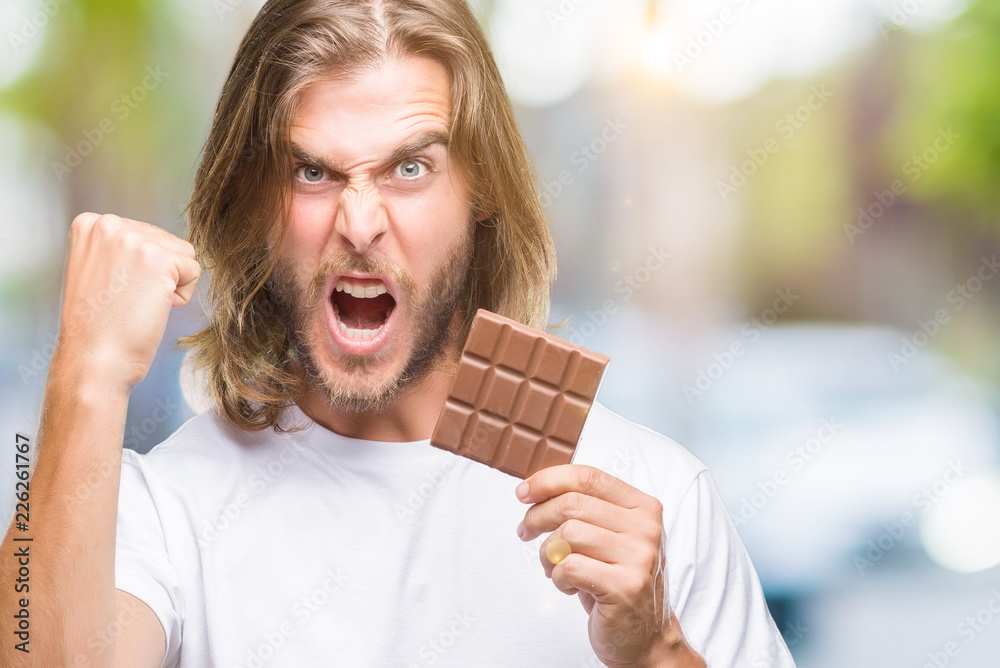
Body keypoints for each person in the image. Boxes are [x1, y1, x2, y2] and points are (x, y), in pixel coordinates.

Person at [0, 1, 796, 666]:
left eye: (409, 169)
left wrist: (657, 649)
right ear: (256, 206)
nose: (359, 222)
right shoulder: (163, 508)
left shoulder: (651, 492)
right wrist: (85, 373)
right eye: (312, 171)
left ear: (481, 193)